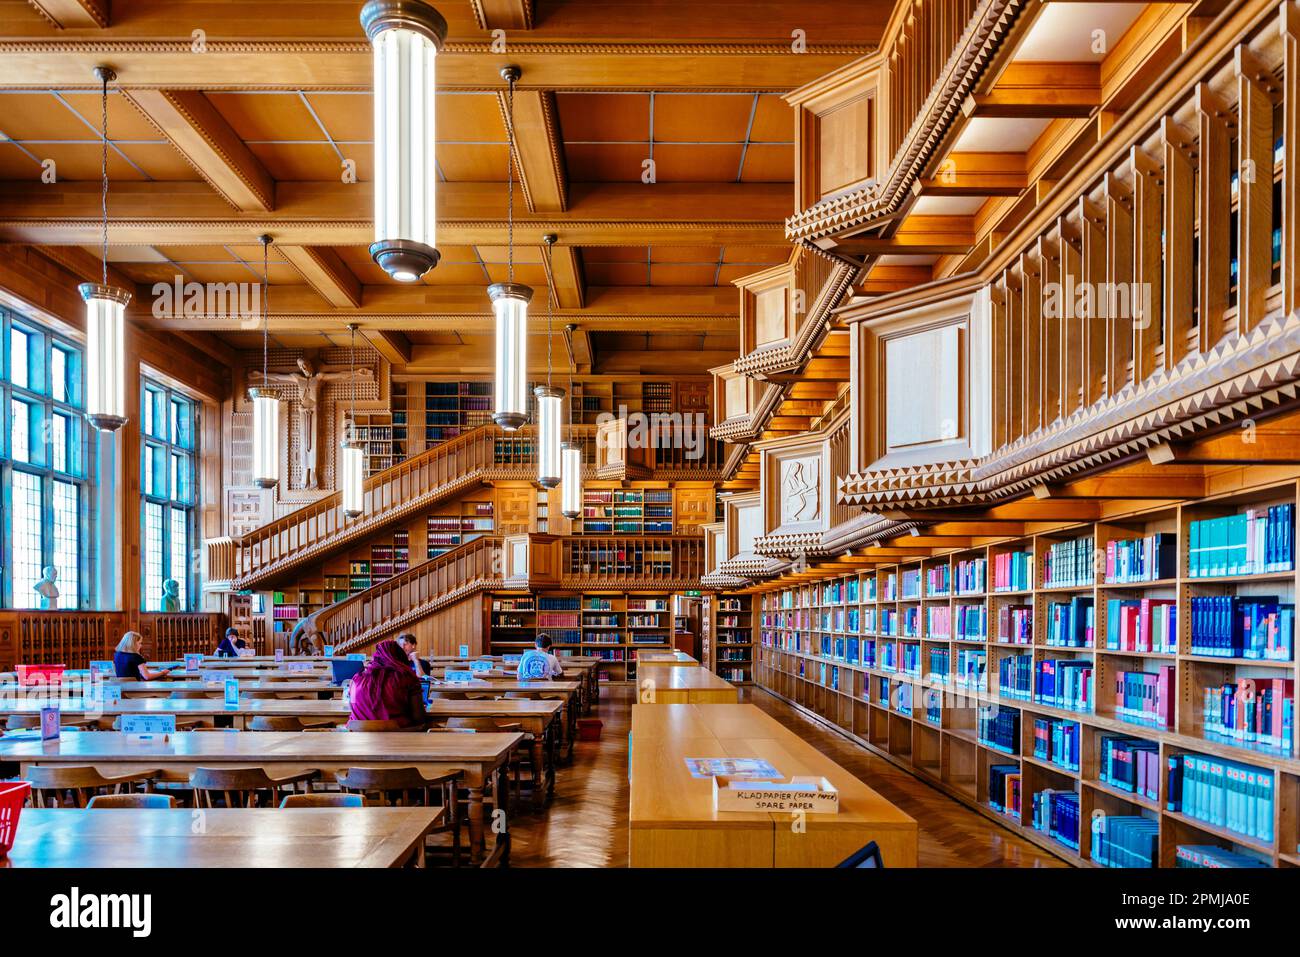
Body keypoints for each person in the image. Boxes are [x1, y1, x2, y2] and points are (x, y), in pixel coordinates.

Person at [348, 639, 428, 728]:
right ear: (400, 656)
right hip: (399, 736)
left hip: (358, 736)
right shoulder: (407, 677)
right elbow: (419, 718)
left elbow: (352, 707)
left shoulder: (357, 678)